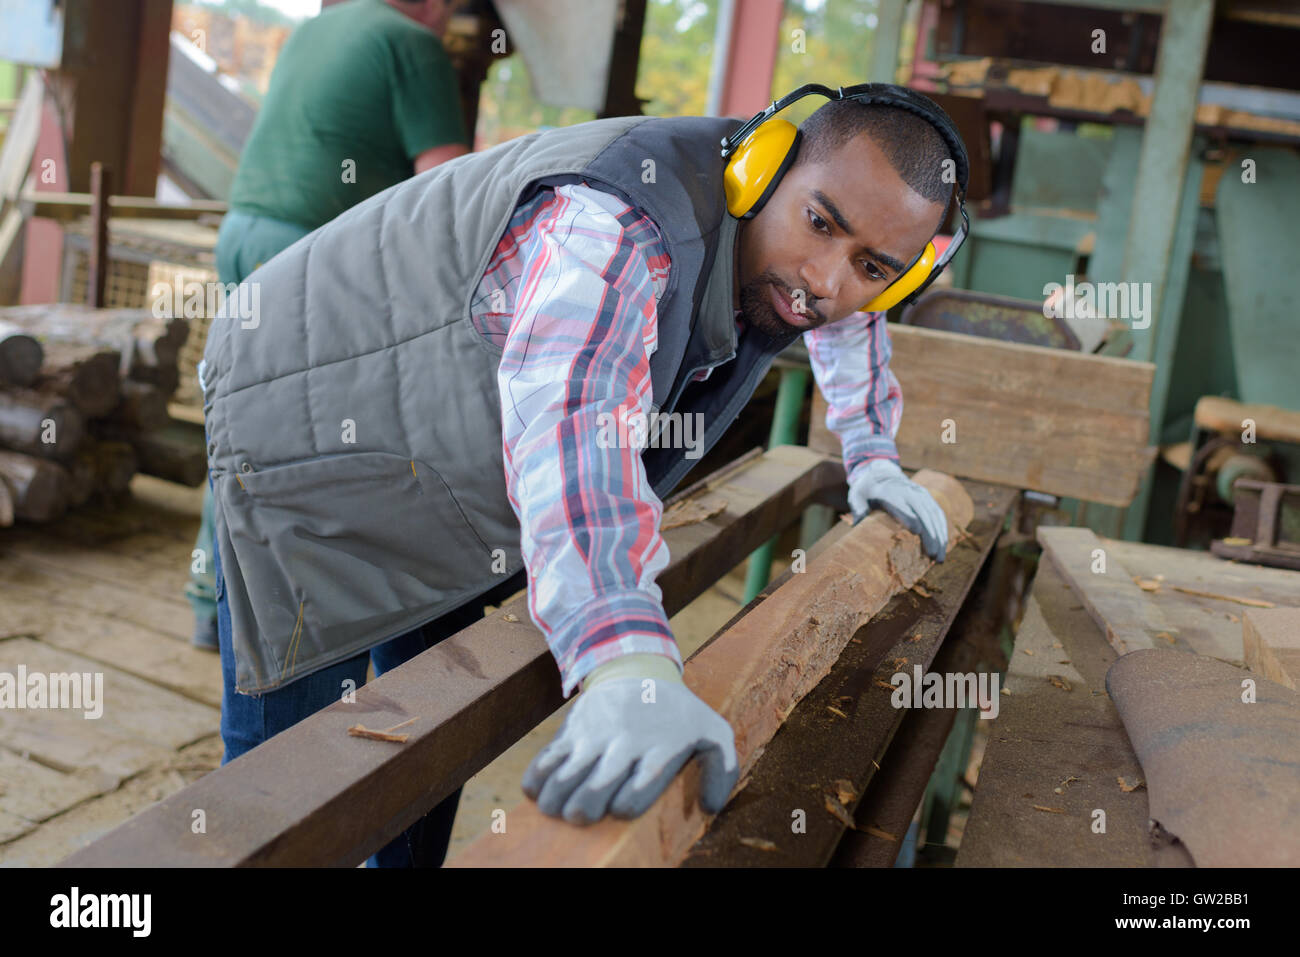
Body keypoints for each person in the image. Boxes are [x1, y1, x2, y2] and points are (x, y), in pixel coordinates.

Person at [199, 82, 969, 864]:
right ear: (764, 167)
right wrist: (624, 659)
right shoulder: (618, 222)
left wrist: (872, 451)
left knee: (420, 743)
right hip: (303, 420)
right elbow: (574, 418)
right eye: (820, 224)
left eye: (872, 265)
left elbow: (853, 324)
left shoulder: (823, 257)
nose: (825, 282)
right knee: (284, 793)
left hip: (441, 451)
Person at [187, 0, 468, 657]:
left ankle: (210, 601)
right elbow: (449, 179)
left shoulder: (314, 30)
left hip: (245, 234)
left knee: (241, 423)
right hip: (308, 259)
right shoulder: (413, 44)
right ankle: (291, 624)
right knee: (307, 444)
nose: (450, 18)